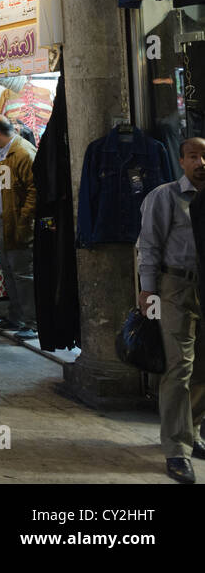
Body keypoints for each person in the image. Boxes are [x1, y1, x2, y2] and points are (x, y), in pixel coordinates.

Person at [143, 137, 205, 484]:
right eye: (194, 156)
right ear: (181, 161)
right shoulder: (165, 196)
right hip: (176, 287)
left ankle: (192, 430)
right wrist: (148, 289)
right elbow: (149, 243)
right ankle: (177, 450)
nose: (201, 162)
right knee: (179, 367)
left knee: (203, 368)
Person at [0, 114, 38, 339]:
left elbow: (34, 191)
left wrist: (23, 223)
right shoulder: (7, 152)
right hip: (4, 222)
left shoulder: (23, 153)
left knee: (23, 275)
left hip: (17, 225)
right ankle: (16, 316)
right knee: (9, 272)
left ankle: (32, 323)